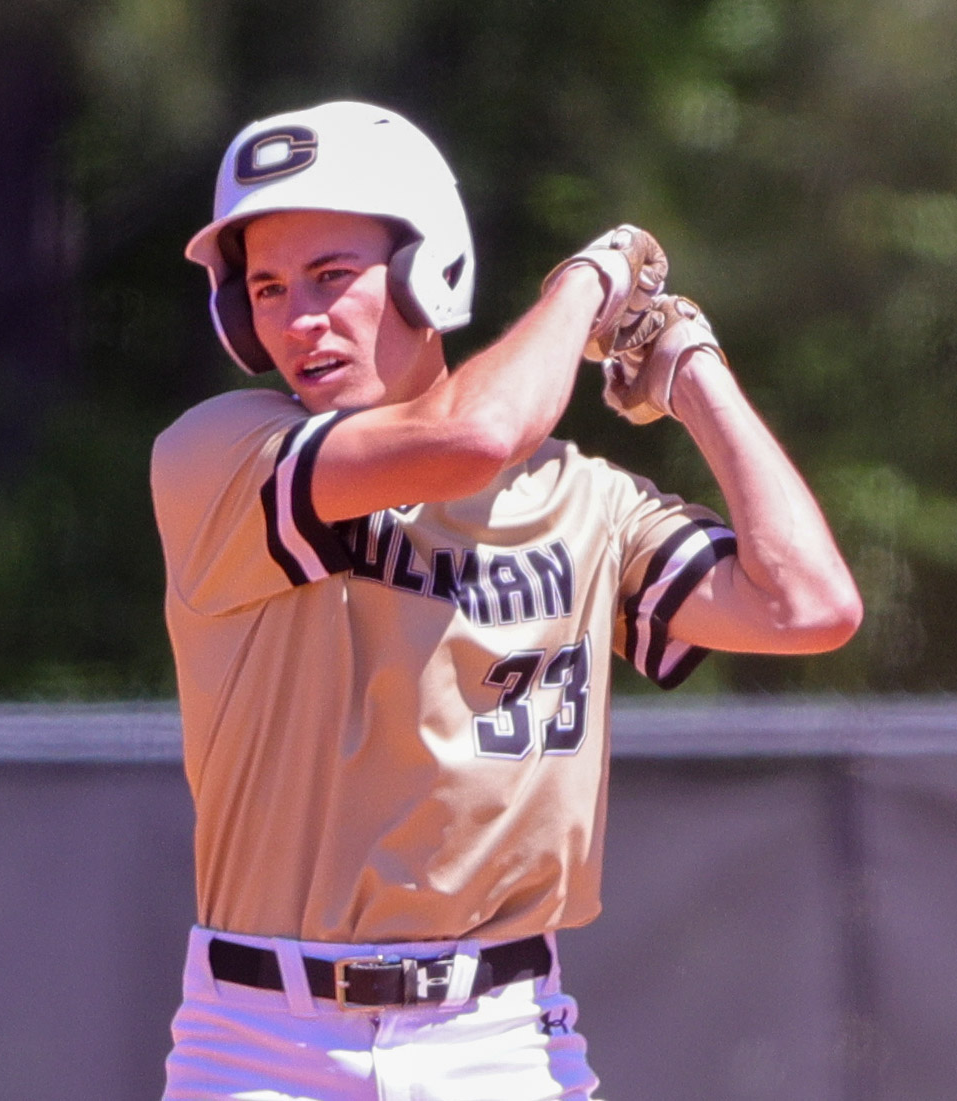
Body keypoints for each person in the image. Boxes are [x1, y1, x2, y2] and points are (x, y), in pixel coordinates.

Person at [150, 100, 861, 1100]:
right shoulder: (220, 455)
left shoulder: (581, 503)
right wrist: (591, 281)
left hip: (501, 1044)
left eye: (332, 275)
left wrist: (687, 364)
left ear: (426, 270)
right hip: (264, 1045)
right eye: (265, 287)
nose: (296, 316)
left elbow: (808, 605)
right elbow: (478, 435)